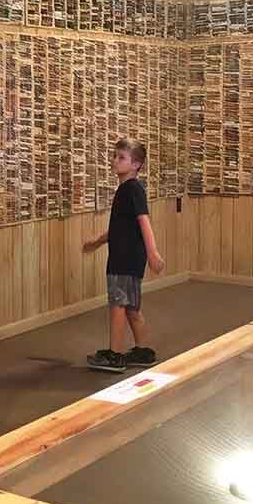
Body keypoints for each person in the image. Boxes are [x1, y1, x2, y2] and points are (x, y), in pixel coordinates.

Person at [83, 138, 165, 374]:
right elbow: (120, 228)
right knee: (130, 307)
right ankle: (143, 350)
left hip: (124, 260)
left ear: (136, 164)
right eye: (115, 156)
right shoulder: (126, 190)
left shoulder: (132, 189)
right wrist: (97, 242)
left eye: (121, 157)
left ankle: (115, 354)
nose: (114, 161)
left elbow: (143, 221)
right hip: (128, 258)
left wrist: (153, 252)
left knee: (118, 304)